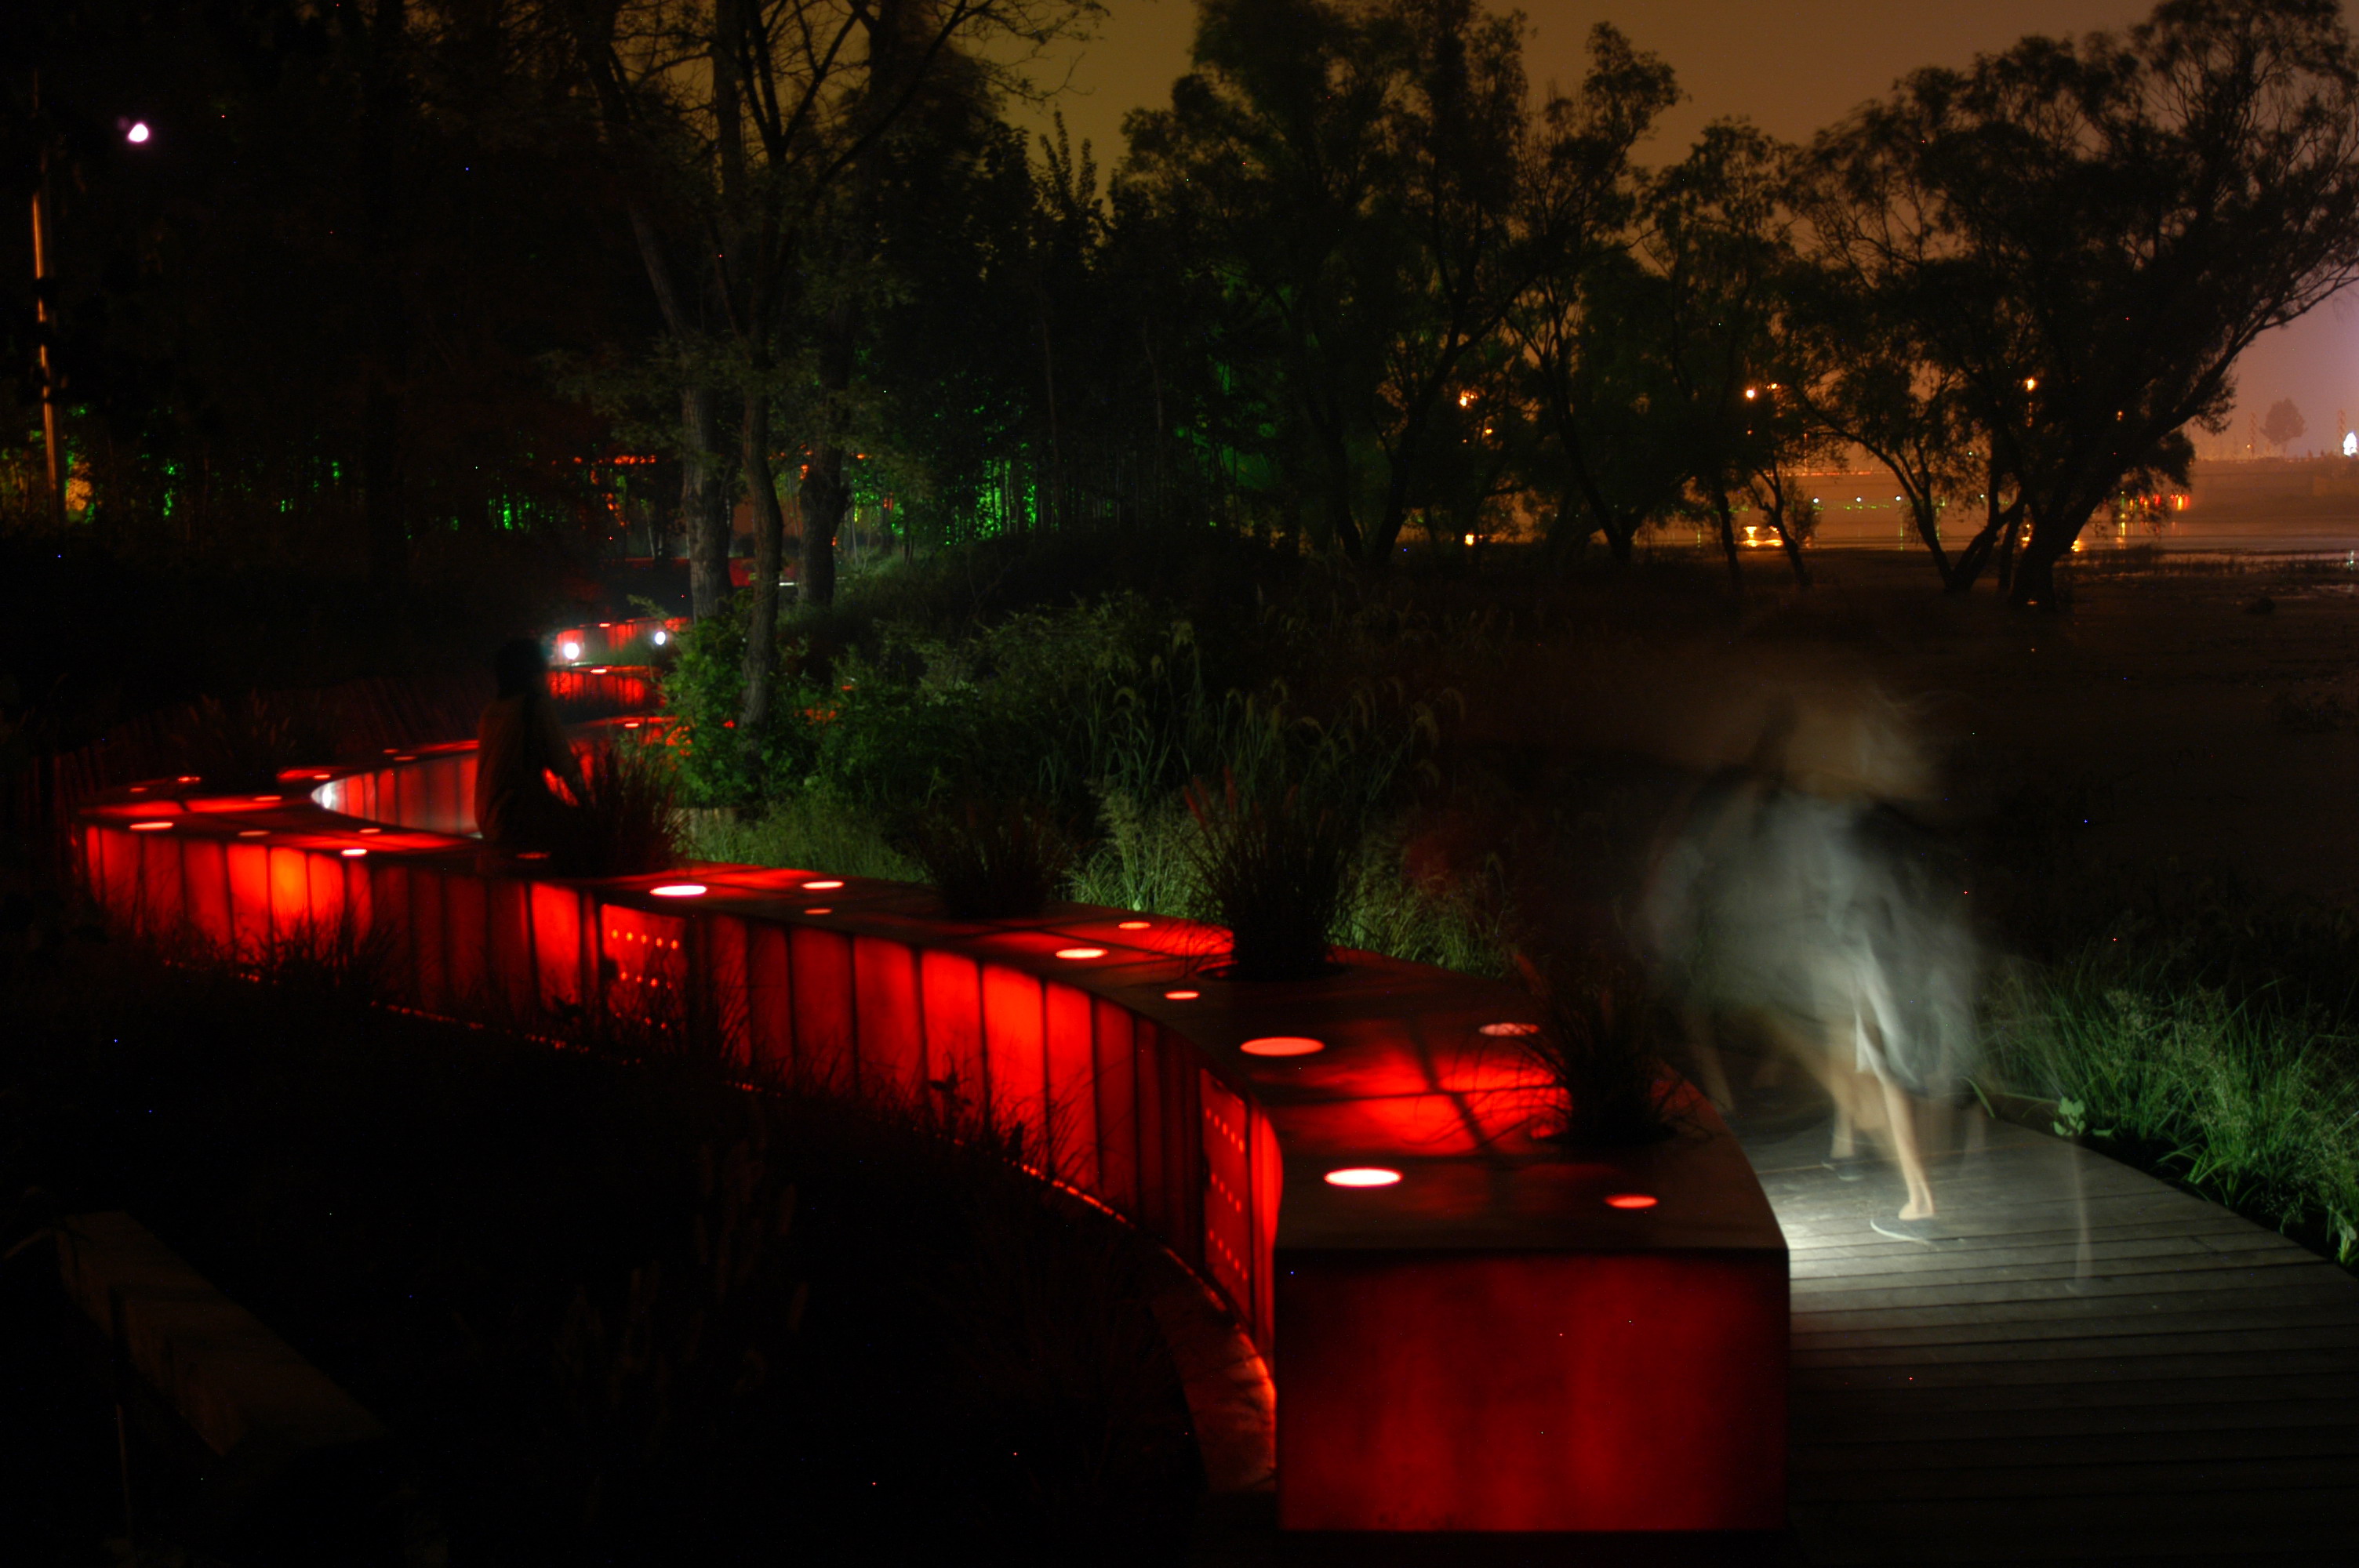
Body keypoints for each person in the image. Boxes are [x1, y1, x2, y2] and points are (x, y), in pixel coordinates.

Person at [475, 638, 586, 857]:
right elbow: (564, 765)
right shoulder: (534, 706)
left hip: (487, 815)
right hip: (518, 817)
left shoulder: (491, 711)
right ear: (535, 672)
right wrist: (593, 807)